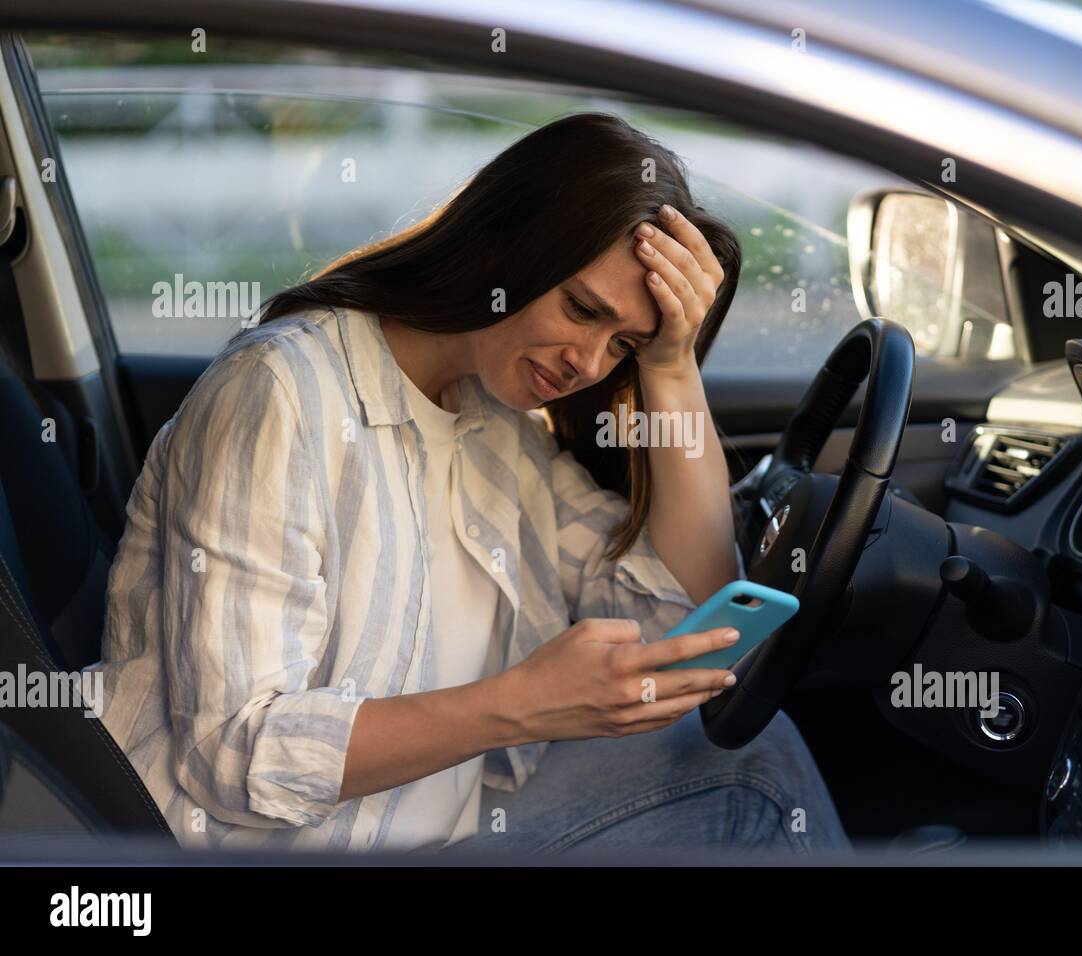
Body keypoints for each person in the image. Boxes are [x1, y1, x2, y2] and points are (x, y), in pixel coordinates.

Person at [90, 112, 852, 856]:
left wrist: (671, 365)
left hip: (449, 809)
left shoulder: (495, 419)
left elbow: (680, 614)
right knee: (756, 780)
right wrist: (516, 706)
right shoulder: (278, 394)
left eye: (619, 343)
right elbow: (233, 752)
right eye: (582, 309)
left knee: (742, 751)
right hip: (262, 840)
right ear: (502, 247)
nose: (588, 363)